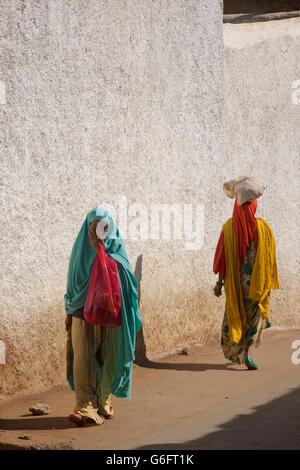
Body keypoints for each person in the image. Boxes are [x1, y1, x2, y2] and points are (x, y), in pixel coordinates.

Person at [64, 207, 142, 425]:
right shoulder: (80, 252)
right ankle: (84, 406)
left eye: (103, 226)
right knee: (83, 358)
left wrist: (105, 258)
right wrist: (69, 312)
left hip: (111, 312)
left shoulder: (117, 251)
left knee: (107, 357)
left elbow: (127, 280)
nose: (98, 230)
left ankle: (103, 401)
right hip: (82, 312)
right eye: (94, 225)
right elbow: (73, 284)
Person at [213, 177, 280, 370]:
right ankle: (247, 353)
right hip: (257, 287)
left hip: (236, 288)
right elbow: (269, 259)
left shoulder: (228, 228)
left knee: (235, 315)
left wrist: (219, 283)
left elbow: (222, 259)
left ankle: (238, 352)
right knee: (253, 319)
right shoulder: (263, 228)